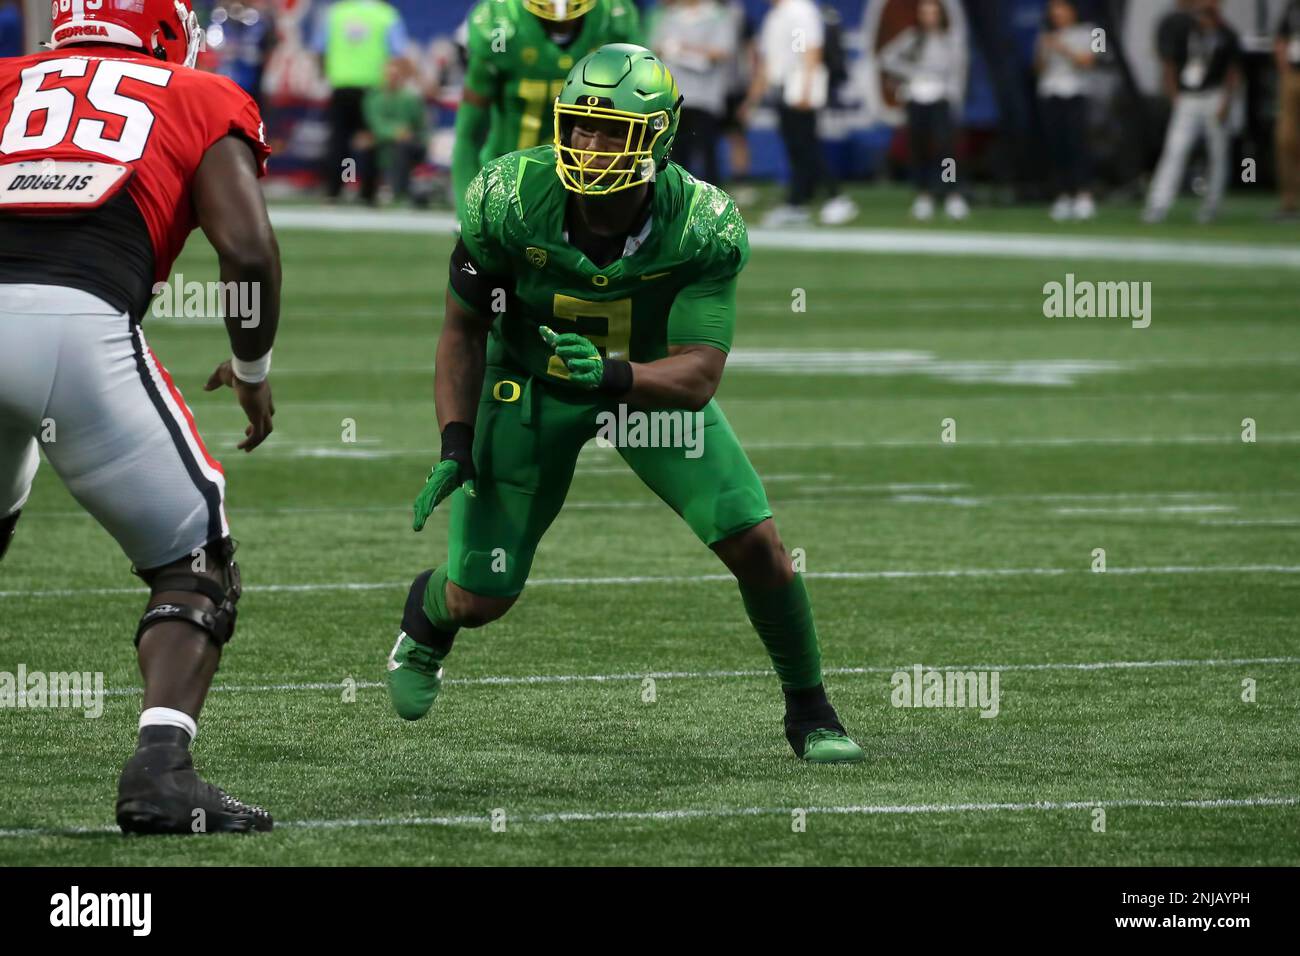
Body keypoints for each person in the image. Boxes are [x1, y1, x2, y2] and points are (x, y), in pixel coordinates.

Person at [386, 44, 864, 765]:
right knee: (479, 600)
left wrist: (615, 378)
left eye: (613, 131)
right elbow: (463, 330)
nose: (590, 143)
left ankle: (812, 711)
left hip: (643, 387)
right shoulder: (510, 199)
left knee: (757, 544)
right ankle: (428, 616)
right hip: (529, 387)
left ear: (660, 138)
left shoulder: (701, 222)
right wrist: (456, 441)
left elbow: (699, 374)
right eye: (579, 125)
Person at [0, 0, 281, 833]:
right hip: (74, 330)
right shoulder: (196, 93)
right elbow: (249, 249)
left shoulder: (8, 81)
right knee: (193, 560)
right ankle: (161, 771)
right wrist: (255, 368)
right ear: (167, 26)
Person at [452, 0, 642, 221]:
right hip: (508, 188)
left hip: (588, 188)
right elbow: (468, 135)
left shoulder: (614, 19)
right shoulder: (499, 26)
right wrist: (466, 212)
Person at [746, 0, 858, 226]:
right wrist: (753, 97)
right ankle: (797, 202)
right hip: (782, 87)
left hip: (797, 86)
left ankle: (837, 198)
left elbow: (809, 48)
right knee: (796, 148)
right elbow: (770, 59)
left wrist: (806, 87)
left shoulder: (799, 10)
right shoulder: (775, 15)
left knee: (807, 146)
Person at [1143, 0, 1241, 224]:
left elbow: (1233, 71)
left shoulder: (1227, 35)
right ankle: (1158, 204)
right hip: (1188, 96)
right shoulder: (1185, 29)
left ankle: (1212, 205)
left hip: (1214, 95)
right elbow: (1169, 63)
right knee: (1175, 149)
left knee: (1217, 153)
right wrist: (1174, 94)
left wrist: (1226, 102)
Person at [880, 0, 969, 221]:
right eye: (925, 13)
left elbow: (958, 73)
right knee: (918, 148)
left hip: (941, 99)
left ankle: (952, 193)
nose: (929, 17)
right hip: (917, 98)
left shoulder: (950, 40)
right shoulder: (912, 38)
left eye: (933, 13)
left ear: (940, 15)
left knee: (946, 149)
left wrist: (954, 100)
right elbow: (886, 58)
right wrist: (911, 74)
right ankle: (924, 194)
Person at [312, 0, 409, 204]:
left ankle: (334, 189)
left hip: (341, 84)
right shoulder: (386, 15)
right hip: (372, 86)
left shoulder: (336, 13)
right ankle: (367, 191)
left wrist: (324, 74)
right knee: (369, 139)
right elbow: (398, 53)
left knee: (339, 139)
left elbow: (319, 50)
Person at [651, 0, 736, 187]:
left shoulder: (717, 16)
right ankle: (679, 200)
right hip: (674, 97)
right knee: (677, 153)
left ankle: (713, 203)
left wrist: (683, 49)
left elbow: (722, 52)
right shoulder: (669, 16)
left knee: (707, 152)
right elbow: (655, 47)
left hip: (704, 97)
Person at [1036, 0, 1097, 221]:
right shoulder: (1045, 33)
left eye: (1061, 8)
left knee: (1078, 144)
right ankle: (1062, 195)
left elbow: (1091, 62)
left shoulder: (1092, 31)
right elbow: (1039, 68)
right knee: (1056, 146)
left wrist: (1063, 47)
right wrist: (1044, 49)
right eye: (1053, 9)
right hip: (1051, 92)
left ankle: (1084, 194)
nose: (1057, 13)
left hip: (1077, 92)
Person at [365, 57, 429, 203]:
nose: (392, 79)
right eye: (389, 75)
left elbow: (421, 126)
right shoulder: (374, 99)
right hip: (383, 142)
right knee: (366, 146)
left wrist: (415, 137)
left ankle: (400, 192)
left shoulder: (410, 99)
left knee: (402, 147)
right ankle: (366, 193)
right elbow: (376, 125)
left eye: (395, 75)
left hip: (409, 143)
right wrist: (396, 132)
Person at [1275, 0, 1300, 220]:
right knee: (1286, 138)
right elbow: (1281, 39)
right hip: (1292, 74)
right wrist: (1284, 69)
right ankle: (1289, 201)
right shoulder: (1292, 8)